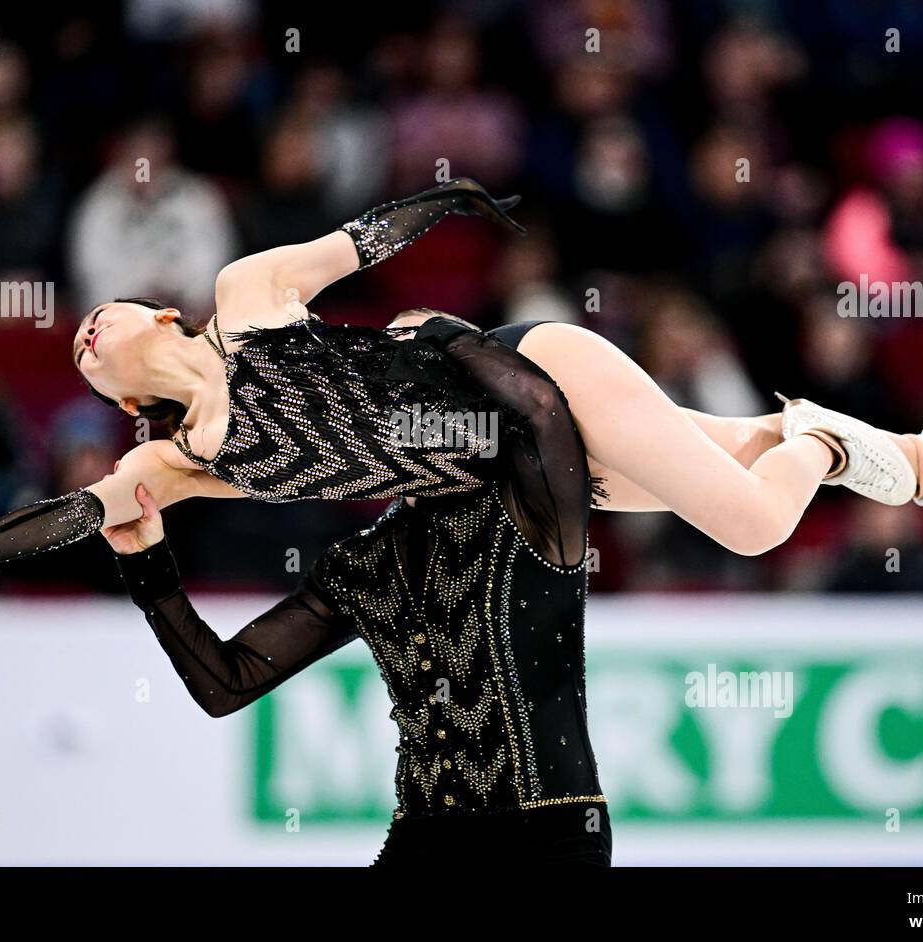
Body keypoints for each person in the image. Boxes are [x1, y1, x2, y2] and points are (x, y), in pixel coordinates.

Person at [0, 177, 923, 622]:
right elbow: (61, 518)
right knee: (730, 463)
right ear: (109, 380)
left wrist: (455, 201)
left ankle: (827, 431)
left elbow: (361, 241)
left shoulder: (245, 291)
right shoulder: (176, 461)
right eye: (81, 357)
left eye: (102, 325)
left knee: (752, 516)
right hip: (501, 461)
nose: (88, 341)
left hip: (526, 374)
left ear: (156, 315)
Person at [104, 316, 612, 866]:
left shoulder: (527, 508)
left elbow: (540, 405)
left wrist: (437, 331)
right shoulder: (361, 562)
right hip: (423, 839)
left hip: (549, 836)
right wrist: (147, 563)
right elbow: (226, 683)